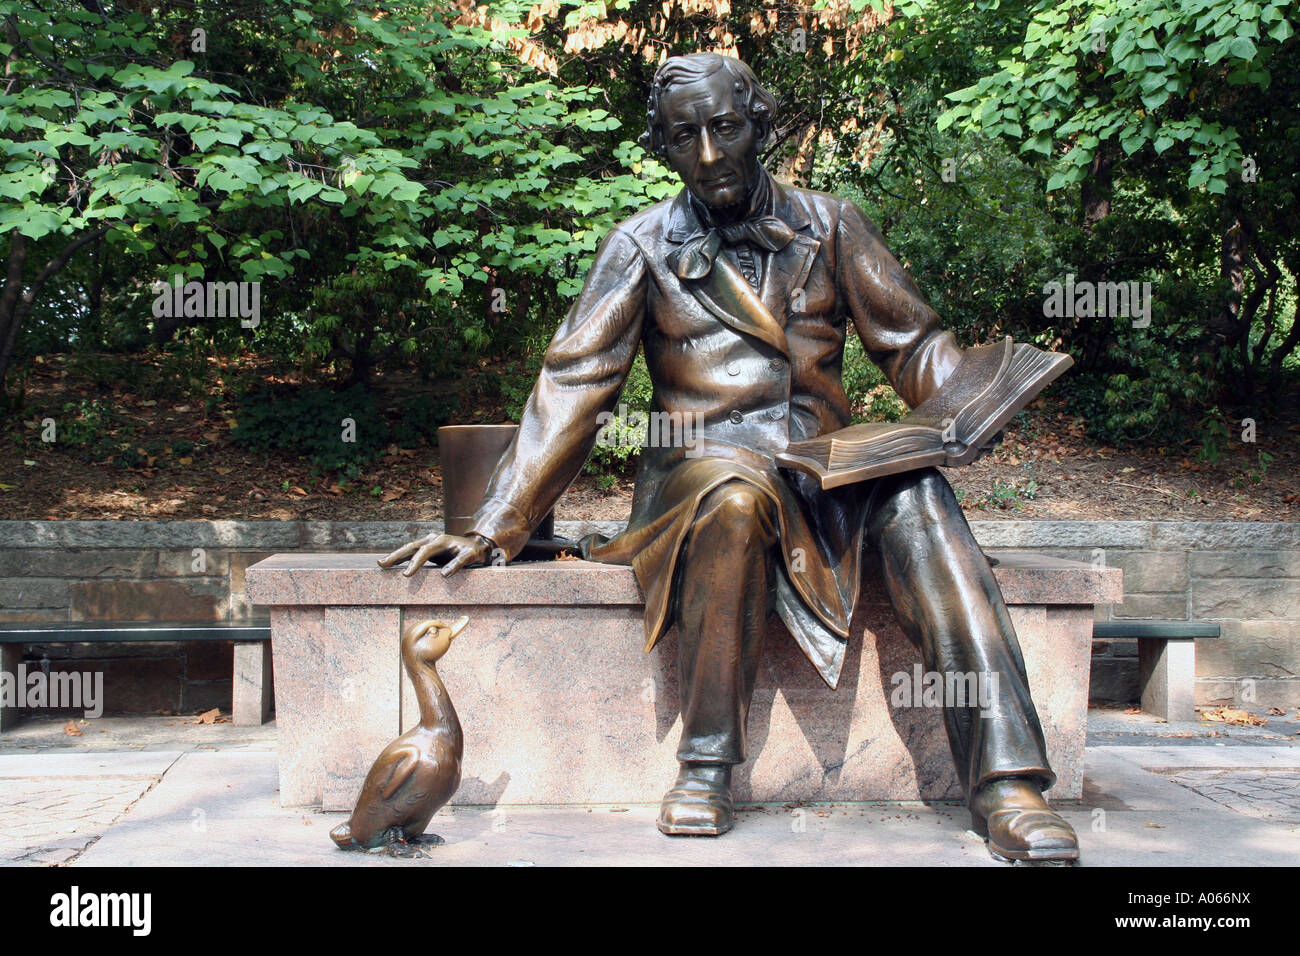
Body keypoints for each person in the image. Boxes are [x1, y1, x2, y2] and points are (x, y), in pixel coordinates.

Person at [380, 53, 1079, 862]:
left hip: (823, 472)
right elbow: (575, 384)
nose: (709, 153)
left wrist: (975, 396)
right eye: (685, 137)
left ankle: (1009, 785)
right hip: (701, 472)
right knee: (735, 497)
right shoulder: (639, 245)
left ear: (760, 126)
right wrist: (500, 521)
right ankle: (707, 761)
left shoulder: (833, 223)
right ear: (664, 146)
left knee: (920, 495)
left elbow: (915, 346)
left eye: (725, 128)